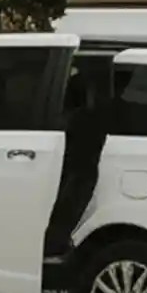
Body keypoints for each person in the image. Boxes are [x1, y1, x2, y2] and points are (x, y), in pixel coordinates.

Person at [43, 65, 111, 257]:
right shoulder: (93, 119)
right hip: (84, 174)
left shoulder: (72, 121)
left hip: (75, 175)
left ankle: (55, 247)